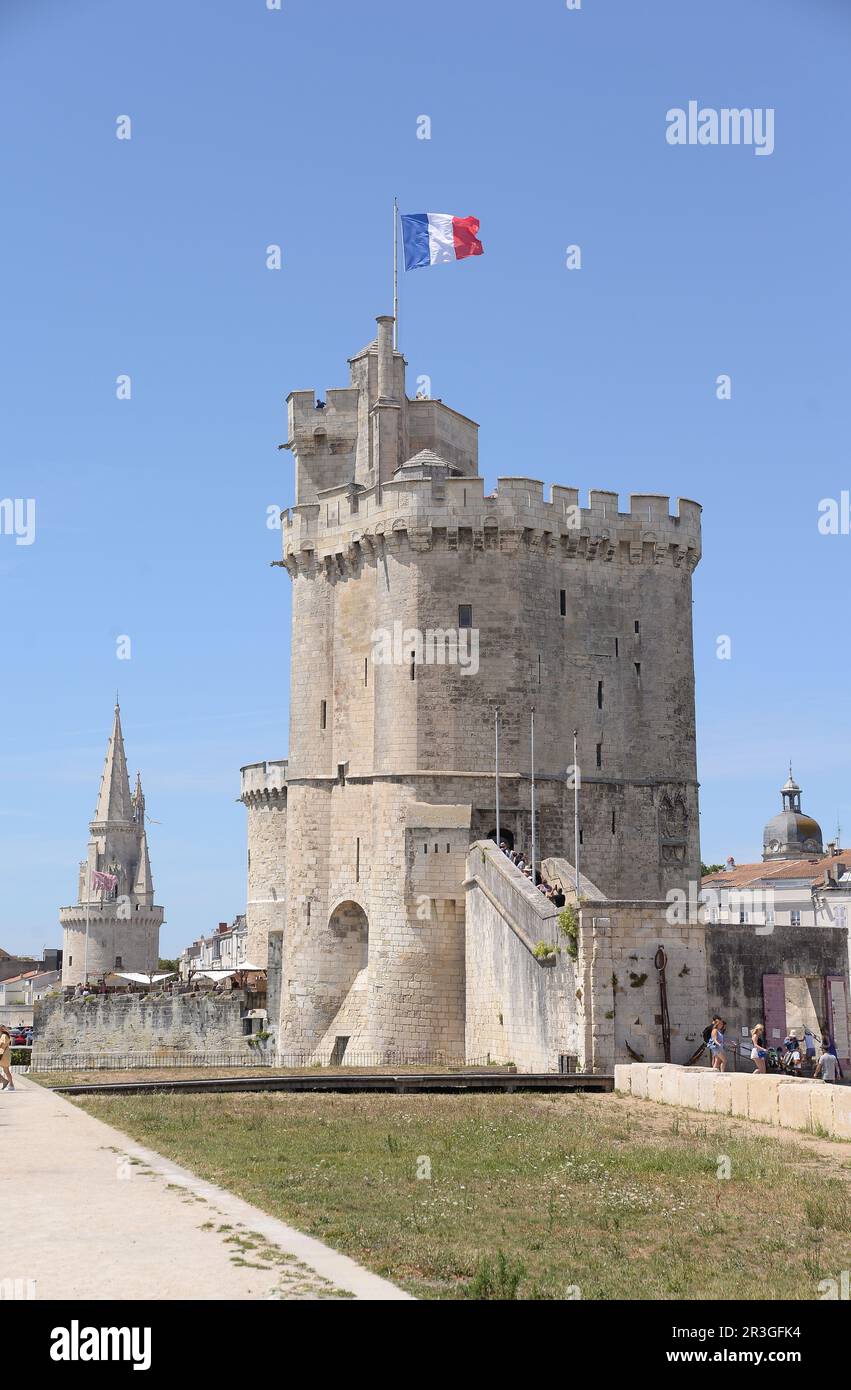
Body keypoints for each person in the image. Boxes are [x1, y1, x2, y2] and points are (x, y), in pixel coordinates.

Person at [0, 1027, 15, 1092]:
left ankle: (7, 1082)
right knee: (6, 1071)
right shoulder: (5, 1035)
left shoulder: (4, 1035)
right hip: (4, 1054)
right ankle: (9, 1083)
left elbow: (2, 1045)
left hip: (3, 1054)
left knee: (6, 1071)